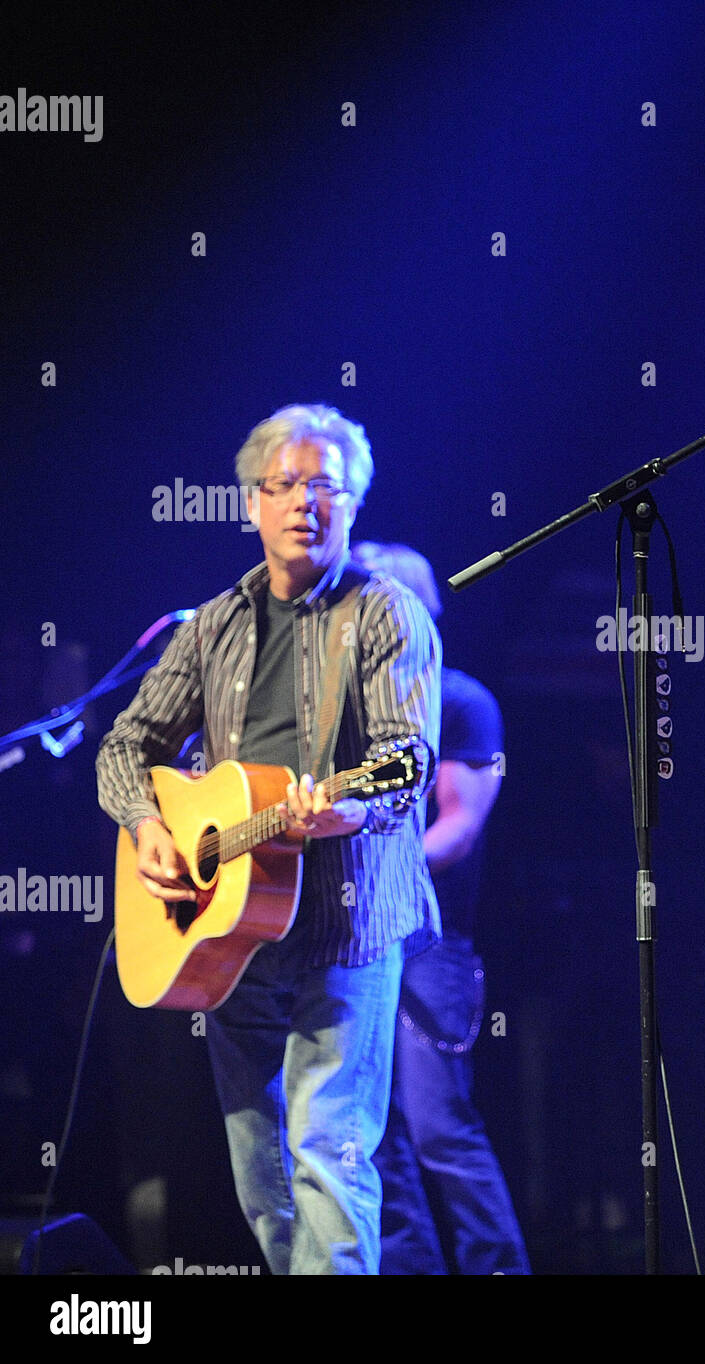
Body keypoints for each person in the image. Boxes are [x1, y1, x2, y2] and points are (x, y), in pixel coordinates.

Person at [97, 404, 440, 1274]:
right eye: (282, 485)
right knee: (263, 1174)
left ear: (354, 504)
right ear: (252, 503)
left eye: (324, 485)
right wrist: (146, 828)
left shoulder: (386, 613)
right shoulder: (212, 623)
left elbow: (407, 760)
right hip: (231, 930)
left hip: (345, 924)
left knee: (331, 1150)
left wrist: (352, 807)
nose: (303, 503)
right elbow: (125, 746)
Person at [351, 540, 530, 1275]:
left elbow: (456, 829)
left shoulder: (458, 700)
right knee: (372, 1135)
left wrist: (351, 858)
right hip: (353, 939)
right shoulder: (346, 712)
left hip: (430, 944)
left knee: (437, 1129)